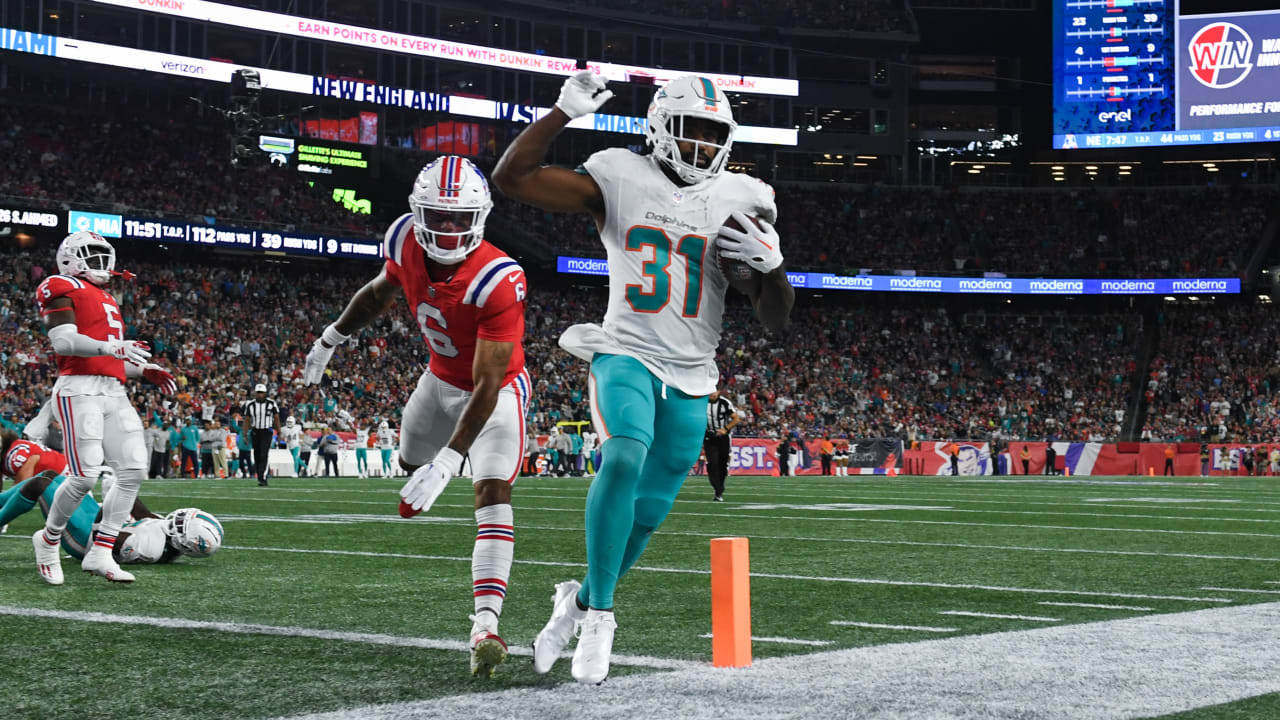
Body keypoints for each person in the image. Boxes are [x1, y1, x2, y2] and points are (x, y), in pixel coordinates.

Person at [494, 71, 793, 684]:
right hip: (625, 350)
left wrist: (775, 270)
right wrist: (558, 114)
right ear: (660, 128)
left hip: (693, 371)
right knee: (623, 456)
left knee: (650, 511)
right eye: (693, 131)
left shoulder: (743, 197)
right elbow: (512, 180)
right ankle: (600, 615)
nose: (704, 146)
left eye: (715, 135)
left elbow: (776, 318)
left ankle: (572, 604)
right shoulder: (620, 176)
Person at [303, 155, 531, 678]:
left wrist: (454, 458)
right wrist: (330, 338)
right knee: (410, 464)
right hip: (436, 382)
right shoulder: (404, 237)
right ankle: (433, 467)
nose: (448, 228)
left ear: (480, 216)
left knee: (491, 492)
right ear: (417, 211)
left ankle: (486, 625)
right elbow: (381, 291)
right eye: (438, 215)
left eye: (459, 217)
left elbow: (489, 383)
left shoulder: (499, 277)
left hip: (495, 394)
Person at [31, 231, 178, 585]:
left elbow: (111, 359)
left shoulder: (107, 296)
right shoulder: (60, 284)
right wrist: (113, 349)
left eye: (103, 254)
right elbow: (64, 341)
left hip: (113, 389)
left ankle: (101, 551)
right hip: (78, 388)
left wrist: (143, 370)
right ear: (70, 257)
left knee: (132, 470)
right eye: (92, 254)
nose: (101, 262)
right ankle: (48, 539)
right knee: (84, 475)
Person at [241, 383, 282, 487]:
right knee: (257, 454)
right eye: (258, 393)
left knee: (264, 454)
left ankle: (262, 478)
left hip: (267, 431)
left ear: (265, 393)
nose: (259, 395)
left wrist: (279, 432)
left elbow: (276, 418)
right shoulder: (250, 405)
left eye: (261, 393)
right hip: (255, 431)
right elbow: (247, 420)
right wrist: (245, 434)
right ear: (255, 393)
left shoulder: (272, 403)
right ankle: (261, 476)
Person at [704, 390, 740, 500]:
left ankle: (719, 488)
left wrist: (725, 429)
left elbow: (736, 419)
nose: (712, 394)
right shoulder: (702, 402)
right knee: (712, 463)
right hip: (709, 436)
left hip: (723, 437)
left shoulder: (724, 402)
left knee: (722, 464)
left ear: (718, 392)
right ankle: (717, 489)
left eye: (714, 392)